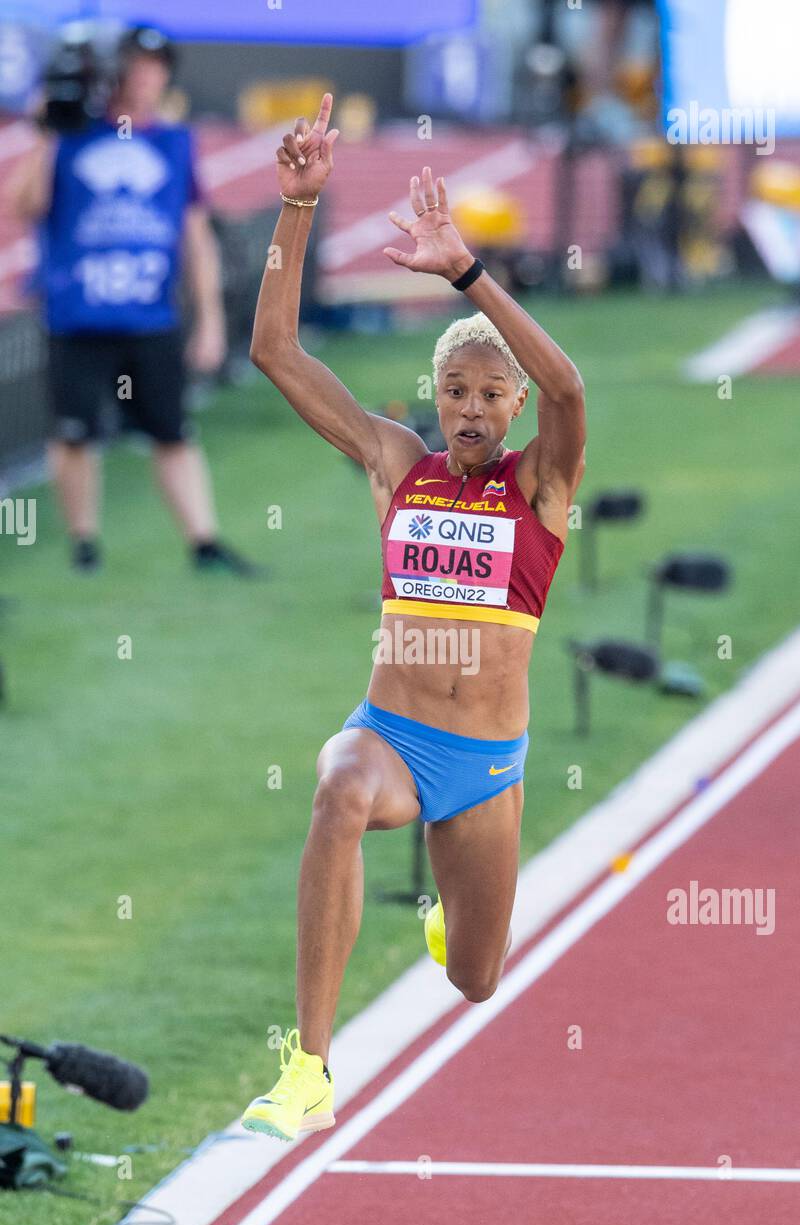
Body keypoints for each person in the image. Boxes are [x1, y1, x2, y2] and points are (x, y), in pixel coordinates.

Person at [241, 94, 585, 1142]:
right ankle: (307, 1068)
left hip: (483, 763)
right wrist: (297, 206)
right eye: (455, 391)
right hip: (391, 736)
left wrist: (468, 272)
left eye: (490, 394)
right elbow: (275, 351)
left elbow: (569, 383)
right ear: (433, 394)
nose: (471, 410)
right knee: (337, 782)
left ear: (512, 407)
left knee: (476, 980)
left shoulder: (540, 485)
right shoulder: (398, 465)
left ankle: (447, 920)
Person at [10, 25, 255, 573]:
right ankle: (84, 545)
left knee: (173, 430)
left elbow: (195, 236)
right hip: (78, 316)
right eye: (136, 65)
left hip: (150, 316)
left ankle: (204, 543)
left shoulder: (174, 142)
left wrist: (211, 319)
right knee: (74, 434)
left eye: (155, 67)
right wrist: (49, 131)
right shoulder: (72, 137)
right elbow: (25, 204)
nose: (146, 77)